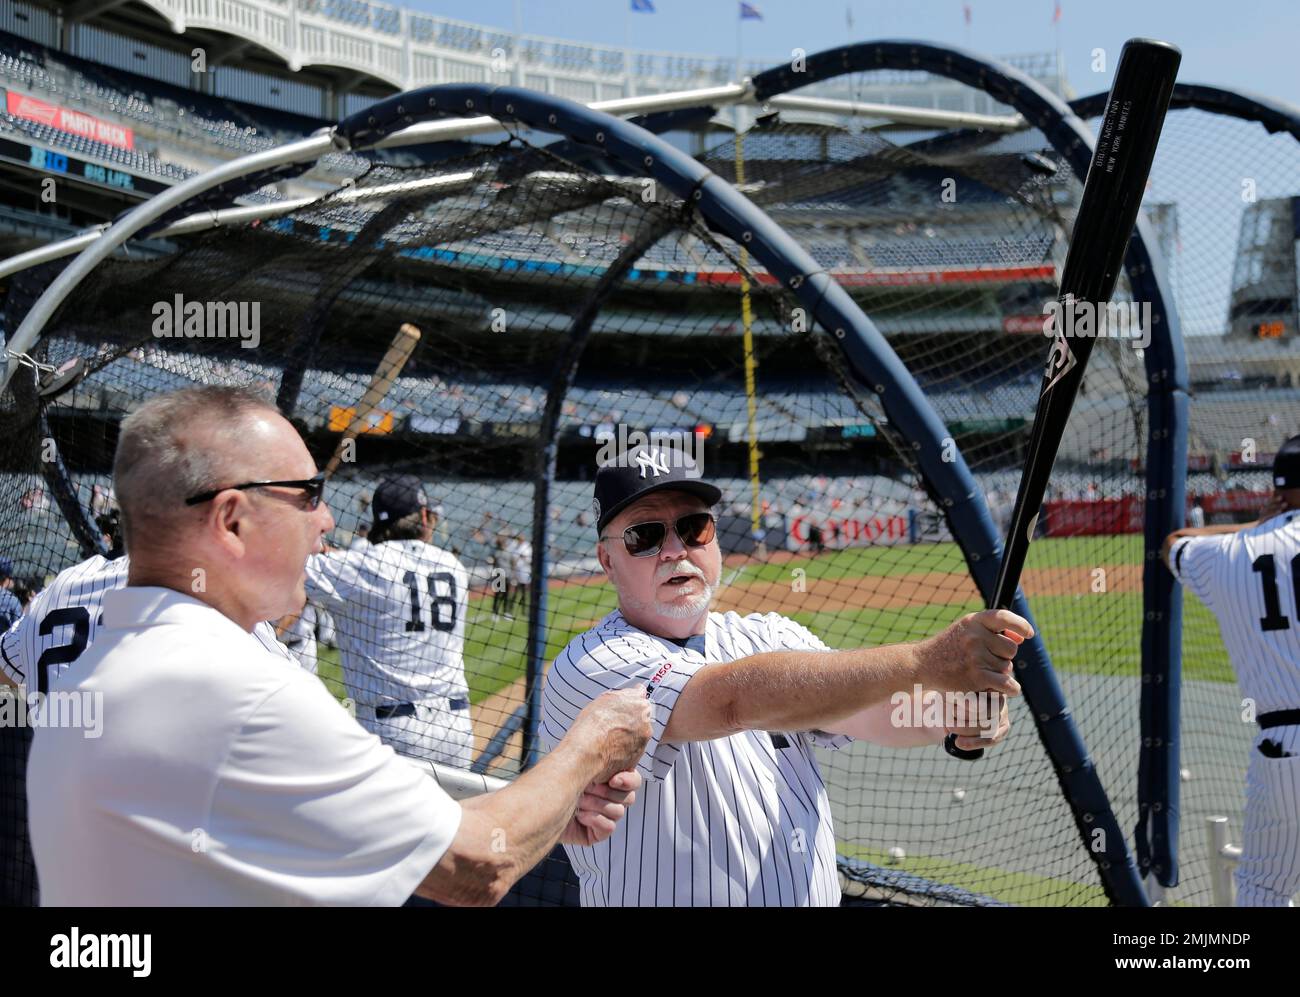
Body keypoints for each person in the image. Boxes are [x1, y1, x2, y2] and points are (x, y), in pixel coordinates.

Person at [26, 386, 650, 906]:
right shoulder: (240, 690)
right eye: (306, 496)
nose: (325, 521)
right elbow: (480, 865)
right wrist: (587, 750)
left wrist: (539, 809)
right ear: (233, 521)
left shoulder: (93, 669)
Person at [541, 445, 1029, 906]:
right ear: (607, 559)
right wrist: (922, 663)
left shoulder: (770, 635)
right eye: (644, 536)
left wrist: (949, 710)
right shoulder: (592, 664)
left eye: (693, 528)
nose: (675, 550)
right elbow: (730, 701)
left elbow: (873, 712)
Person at [1162, 435, 1300, 907]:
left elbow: (1173, 544)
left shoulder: (1232, 552)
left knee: (1264, 888)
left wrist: (1263, 522)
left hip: (1284, 749)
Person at [303, 475, 477, 768]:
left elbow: (292, 566)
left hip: (396, 728)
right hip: (456, 726)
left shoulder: (364, 565)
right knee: (453, 813)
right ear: (423, 515)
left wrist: (307, 523)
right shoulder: (453, 565)